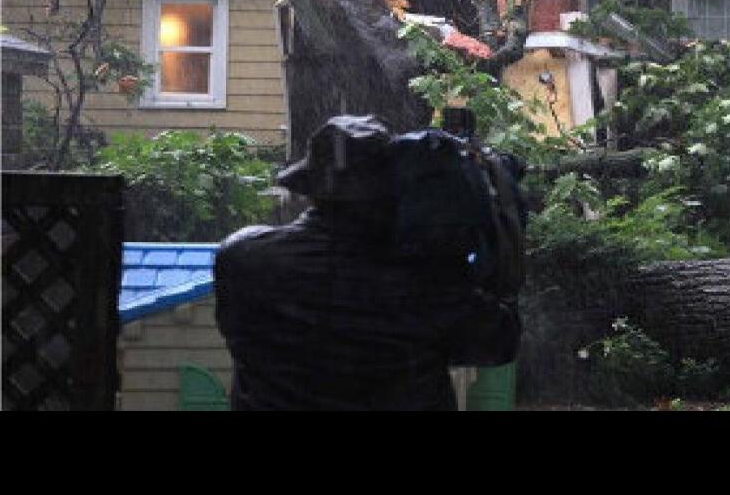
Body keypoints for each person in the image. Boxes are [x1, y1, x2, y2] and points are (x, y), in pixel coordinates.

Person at [213, 115, 520, 410]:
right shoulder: (428, 284)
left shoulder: (242, 260)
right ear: (396, 193)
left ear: (309, 187)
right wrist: (504, 221)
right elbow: (499, 343)